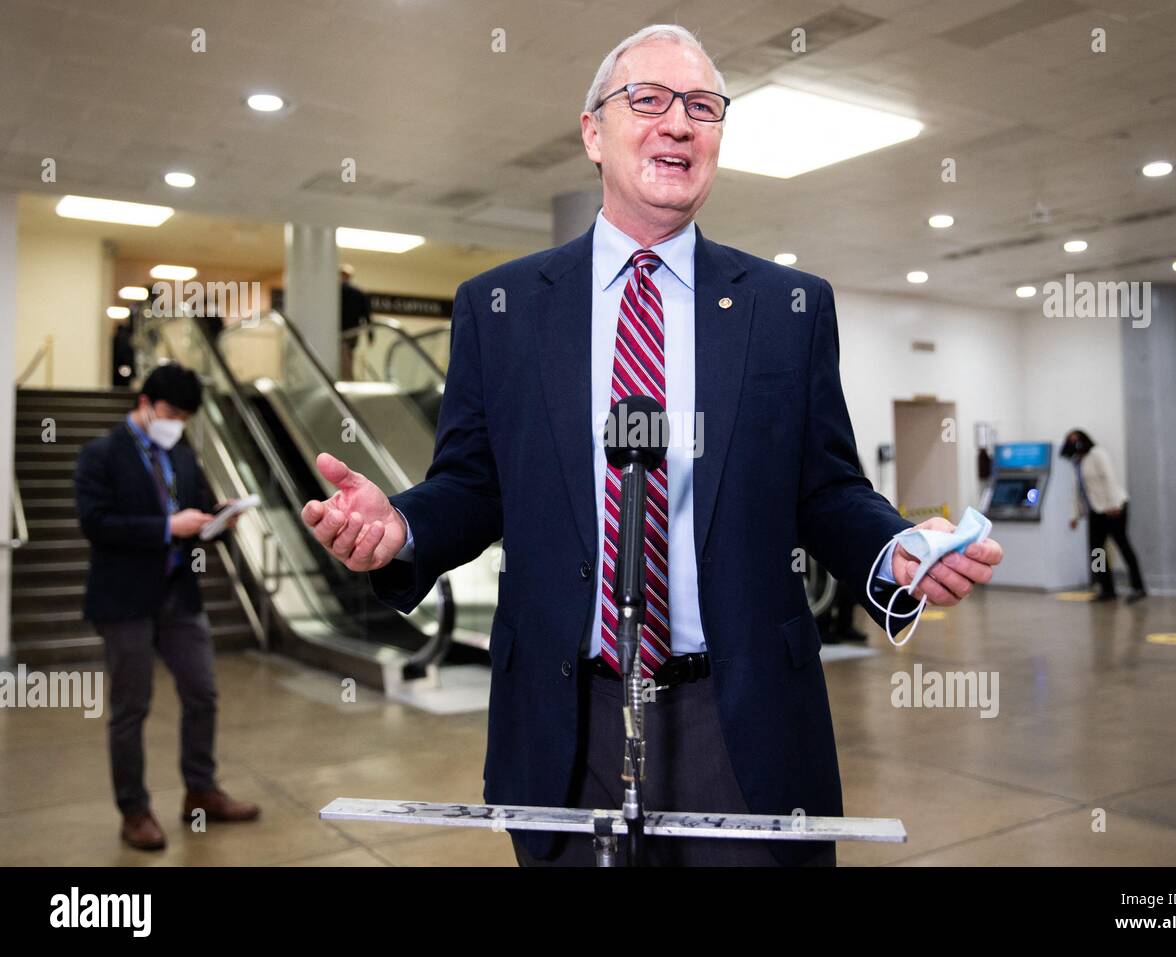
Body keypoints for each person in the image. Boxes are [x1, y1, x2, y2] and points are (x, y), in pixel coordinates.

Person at [300, 24, 1002, 867]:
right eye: (650, 100)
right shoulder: (503, 307)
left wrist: (894, 548)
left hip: (738, 720)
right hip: (568, 725)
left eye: (704, 107)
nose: (680, 124)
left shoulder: (788, 307)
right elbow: (475, 483)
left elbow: (824, 488)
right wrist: (402, 529)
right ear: (593, 132)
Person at [74, 363, 260, 851]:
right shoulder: (101, 455)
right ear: (144, 403)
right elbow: (96, 523)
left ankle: (201, 791)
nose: (177, 422)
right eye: (171, 412)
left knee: (202, 692)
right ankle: (134, 810)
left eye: (185, 415)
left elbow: (194, 505)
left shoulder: (181, 453)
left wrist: (219, 517)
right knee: (130, 707)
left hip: (180, 594)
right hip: (125, 600)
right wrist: (165, 529)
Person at [1061, 429, 1147, 603]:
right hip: (1096, 510)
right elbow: (1079, 491)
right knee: (1097, 550)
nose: (1075, 443)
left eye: (1077, 439)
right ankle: (1106, 588)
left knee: (1123, 545)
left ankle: (1138, 587)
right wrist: (1075, 516)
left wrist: (1113, 505)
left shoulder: (1097, 454)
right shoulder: (1078, 461)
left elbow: (1109, 479)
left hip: (1114, 507)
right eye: (1071, 440)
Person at [339, 263, 371, 378]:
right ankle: (346, 380)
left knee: (343, 358)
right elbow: (367, 316)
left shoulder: (333, 292)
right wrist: (370, 336)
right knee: (347, 357)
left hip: (340, 331)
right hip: (352, 332)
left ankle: (344, 381)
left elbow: (366, 315)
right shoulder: (359, 293)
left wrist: (370, 335)